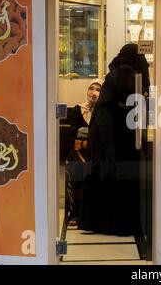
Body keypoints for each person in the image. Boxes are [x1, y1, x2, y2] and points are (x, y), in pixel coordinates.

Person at [78, 44, 149, 236]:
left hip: (106, 127)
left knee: (103, 169)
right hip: (113, 129)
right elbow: (131, 99)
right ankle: (118, 223)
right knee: (115, 170)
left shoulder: (119, 69)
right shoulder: (127, 71)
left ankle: (97, 221)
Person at [64, 78, 103, 226]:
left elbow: (101, 134)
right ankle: (75, 212)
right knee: (74, 170)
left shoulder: (103, 111)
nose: (93, 93)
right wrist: (90, 135)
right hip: (79, 151)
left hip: (96, 153)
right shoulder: (77, 109)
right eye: (91, 88)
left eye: (98, 90)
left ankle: (93, 213)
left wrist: (87, 136)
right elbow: (73, 131)